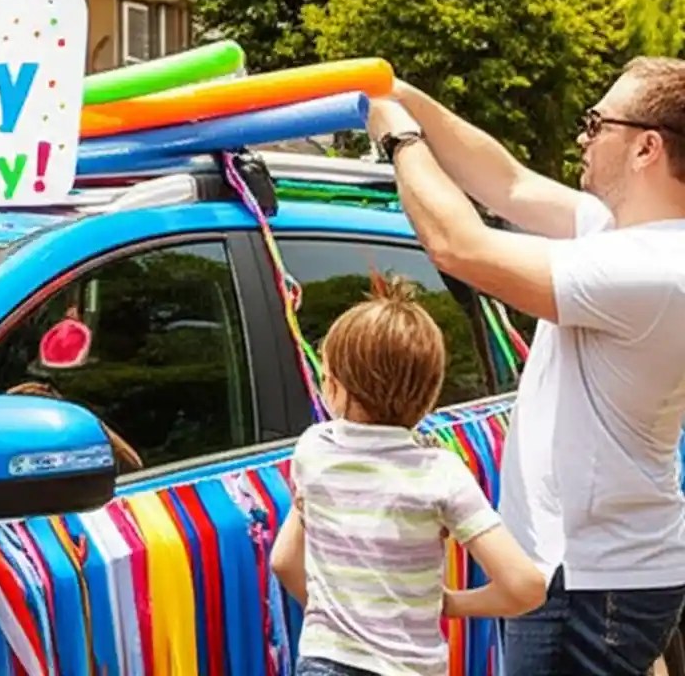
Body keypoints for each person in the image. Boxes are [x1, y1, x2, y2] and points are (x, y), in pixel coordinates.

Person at [365, 56, 685, 674]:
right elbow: (506, 183)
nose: (582, 137)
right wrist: (393, 92)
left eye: (597, 123)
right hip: (584, 568)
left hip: (592, 582)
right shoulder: (618, 231)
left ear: (646, 147)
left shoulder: (652, 269)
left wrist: (399, 136)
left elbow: (460, 246)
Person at [271, 272, 545, 676]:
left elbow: (283, 560)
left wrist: (332, 620)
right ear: (431, 393)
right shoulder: (441, 473)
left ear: (337, 388)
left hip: (323, 663)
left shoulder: (313, 451)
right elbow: (525, 587)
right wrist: (450, 603)